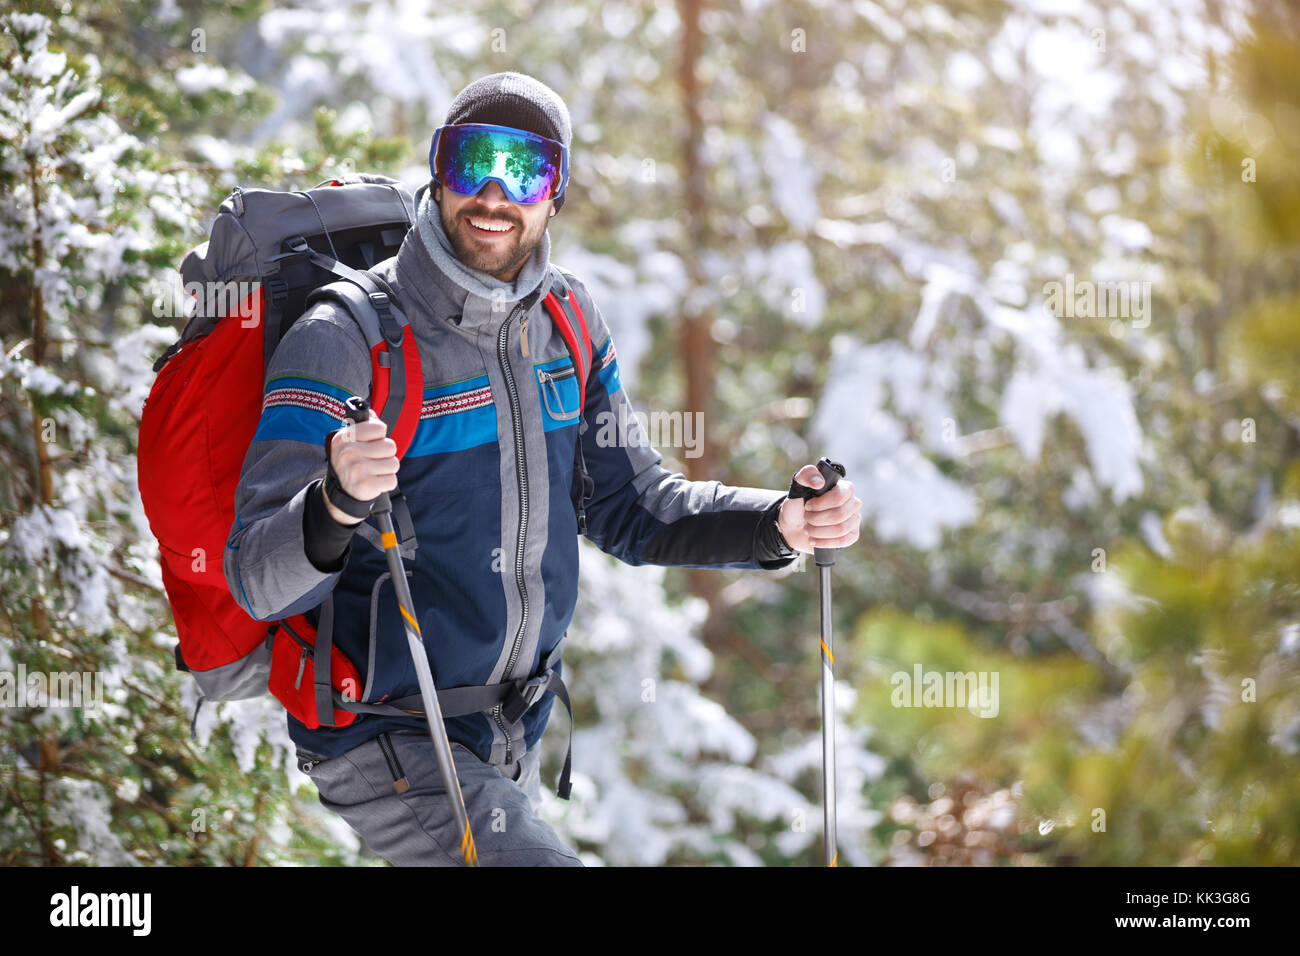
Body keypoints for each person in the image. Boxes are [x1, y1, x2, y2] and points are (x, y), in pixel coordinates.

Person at [224, 71, 861, 866]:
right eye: (471, 163)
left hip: (506, 738)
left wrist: (777, 522)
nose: (494, 193)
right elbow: (254, 574)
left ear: (555, 192)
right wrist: (336, 502)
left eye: (525, 169)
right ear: (437, 169)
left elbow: (632, 504)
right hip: (387, 734)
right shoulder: (346, 335)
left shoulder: (566, 323)